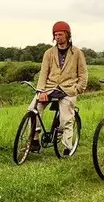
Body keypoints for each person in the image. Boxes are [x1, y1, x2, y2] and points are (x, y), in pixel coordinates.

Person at [31, 21, 88, 155]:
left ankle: (68, 147)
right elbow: (43, 73)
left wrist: (78, 89)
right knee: (33, 110)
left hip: (68, 89)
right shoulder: (49, 53)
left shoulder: (77, 53)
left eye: (60, 34)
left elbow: (83, 73)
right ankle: (34, 139)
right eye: (55, 35)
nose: (58, 37)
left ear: (67, 35)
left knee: (66, 120)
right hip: (49, 88)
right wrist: (42, 91)